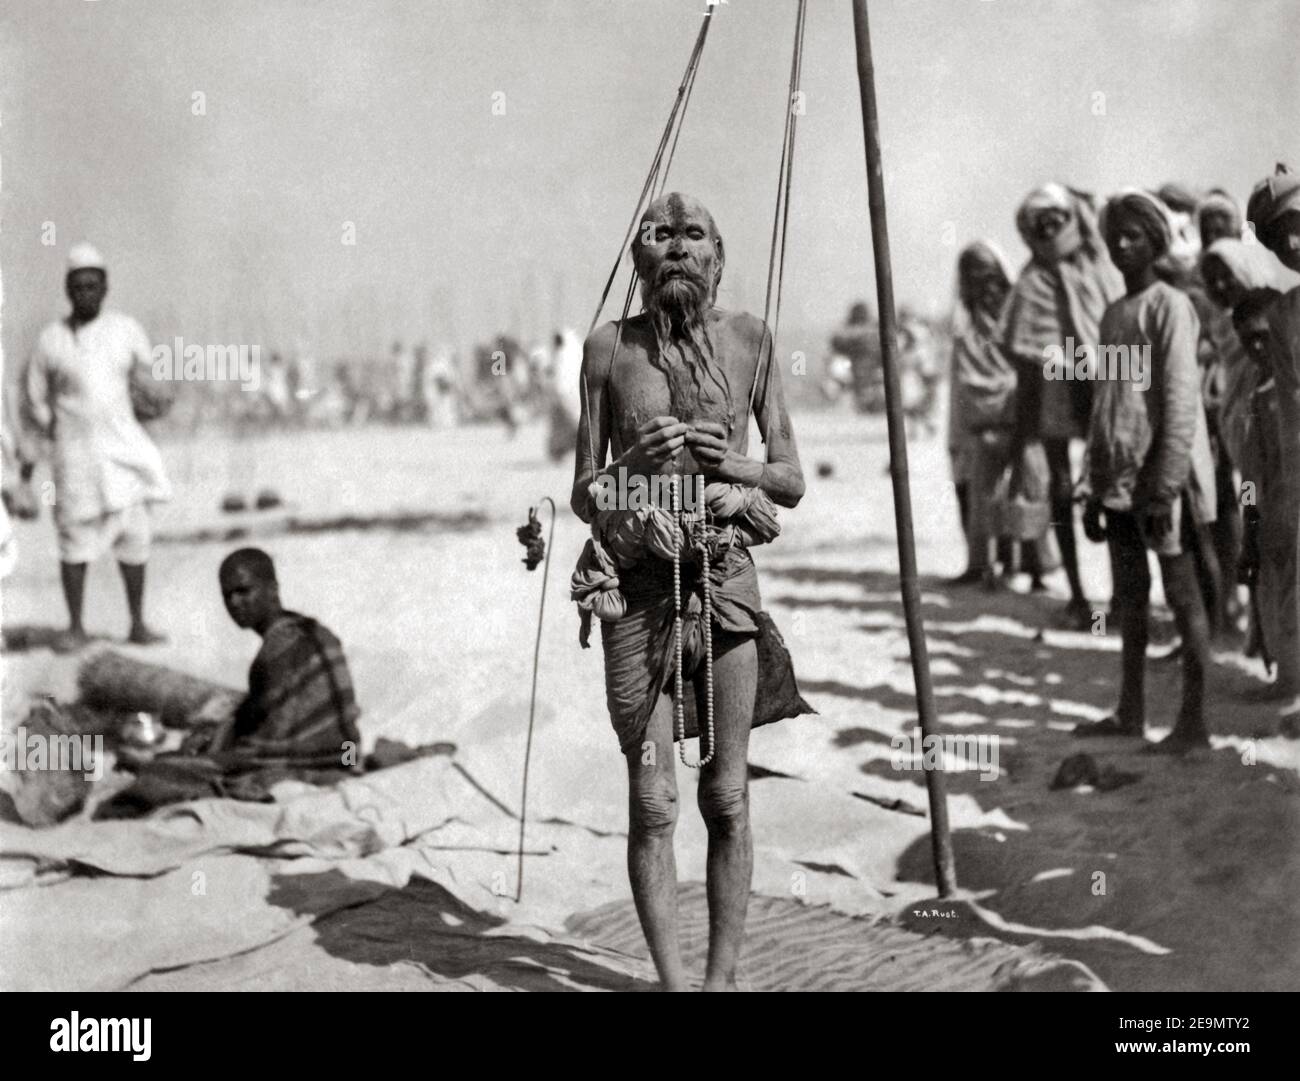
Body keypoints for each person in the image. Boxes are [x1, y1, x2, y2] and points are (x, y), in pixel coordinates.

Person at [570, 192, 810, 991]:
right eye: (659, 235)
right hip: (637, 590)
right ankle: (675, 986)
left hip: (727, 580)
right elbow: (583, 489)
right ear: (640, 257)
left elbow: (791, 477)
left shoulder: (750, 340)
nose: (675, 247)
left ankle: (722, 980)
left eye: (692, 235)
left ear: (717, 256)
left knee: (729, 794)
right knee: (654, 800)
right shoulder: (609, 348)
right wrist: (635, 472)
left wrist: (736, 473)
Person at [1077, 191, 1216, 752]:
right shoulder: (1114, 314)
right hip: (1118, 484)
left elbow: (1181, 405)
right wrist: (1092, 485)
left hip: (1162, 483)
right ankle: (1130, 712)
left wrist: (1164, 486)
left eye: (1134, 235)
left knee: (1183, 598)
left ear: (1157, 242)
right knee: (1129, 601)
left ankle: (1194, 721)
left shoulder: (1170, 307)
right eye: (1116, 235)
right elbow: (1108, 404)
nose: (1121, 243)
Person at [21, 243, 171, 652]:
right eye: (77, 286)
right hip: (74, 457)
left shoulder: (126, 330)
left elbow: (153, 383)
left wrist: (155, 399)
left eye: (93, 285)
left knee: (134, 535)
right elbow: (33, 400)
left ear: (105, 288)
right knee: (74, 537)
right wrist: (33, 459)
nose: (85, 292)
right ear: (67, 290)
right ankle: (75, 626)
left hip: (124, 453)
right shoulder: (50, 340)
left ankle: (138, 623)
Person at [1003, 184, 1126, 627]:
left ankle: (1122, 596)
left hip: (1106, 380)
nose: (1052, 230)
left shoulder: (1099, 265)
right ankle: (1077, 594)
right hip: (1056, 388)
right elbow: (1024, 355)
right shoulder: (1032, 281)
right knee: (1059, 490)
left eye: (1058, 220)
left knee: (1113, 487)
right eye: (1043, 225)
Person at [1246, 163, 1300, 720]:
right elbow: (1290, 408)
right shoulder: (1286, 314)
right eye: (1277, 238)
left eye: (1296, 223)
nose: (1293, 243)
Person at [1233, 289, 1295, 703]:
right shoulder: (1257, 396)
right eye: (1248, 340)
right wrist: (1250, 534)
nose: (1257, 347)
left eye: (1263, 335)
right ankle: (1288, 682)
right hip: (1275, 520)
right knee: (1280, 606)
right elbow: (1252, 475)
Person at [947, 242, 1017, 586]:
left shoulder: (1017, 314)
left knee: (1010, 492)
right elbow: (963, 374)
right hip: (966, 417)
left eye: (989, 278)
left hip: (1010, 414)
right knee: (967, 487)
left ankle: (1011, 564)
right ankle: (978, 564)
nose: (984, 287)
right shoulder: (964, 322)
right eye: (974, 278)